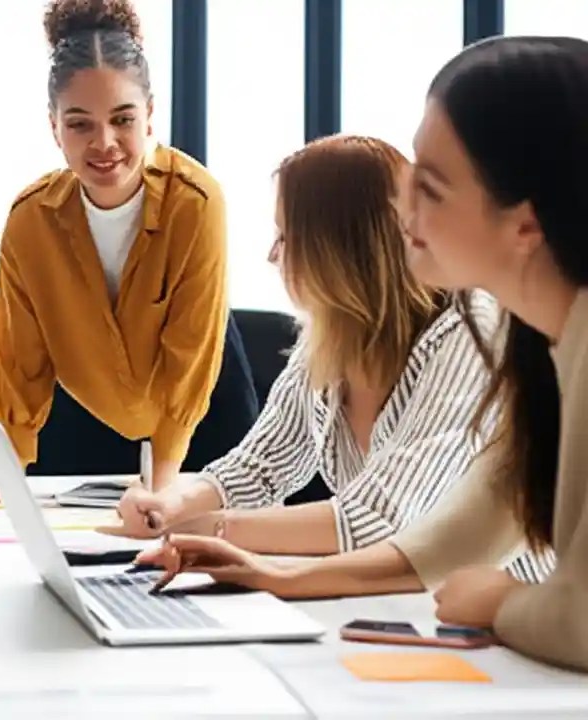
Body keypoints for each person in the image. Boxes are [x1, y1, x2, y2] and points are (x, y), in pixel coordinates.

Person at [140, 35, 588, 672]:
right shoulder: (538, 343)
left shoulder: (503, 337)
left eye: (428, 188)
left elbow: (578, 619)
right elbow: (454, 537)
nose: (401, 211)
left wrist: (501, 600)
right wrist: (275, 575)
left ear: (526, 222)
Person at [108, 135, 551, 581]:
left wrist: (208, 530)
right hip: (405, 600)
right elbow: (261, 466)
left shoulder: (469, 331)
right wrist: (170, 505)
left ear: (338, 248)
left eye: (285, 235)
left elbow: (380, 520)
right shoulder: (332, 332)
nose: (271, 255)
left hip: (515, 618)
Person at [0, 0, 229, 503]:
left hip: (202, 418)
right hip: (91, 412)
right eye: (80, 124)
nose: (105, 143)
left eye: (122, 119)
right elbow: (18, 360)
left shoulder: (195, 204)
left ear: (150, 117)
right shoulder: (31, 220)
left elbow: (189, 357)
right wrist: (8, 473)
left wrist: (164, 488)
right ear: (54, 127)